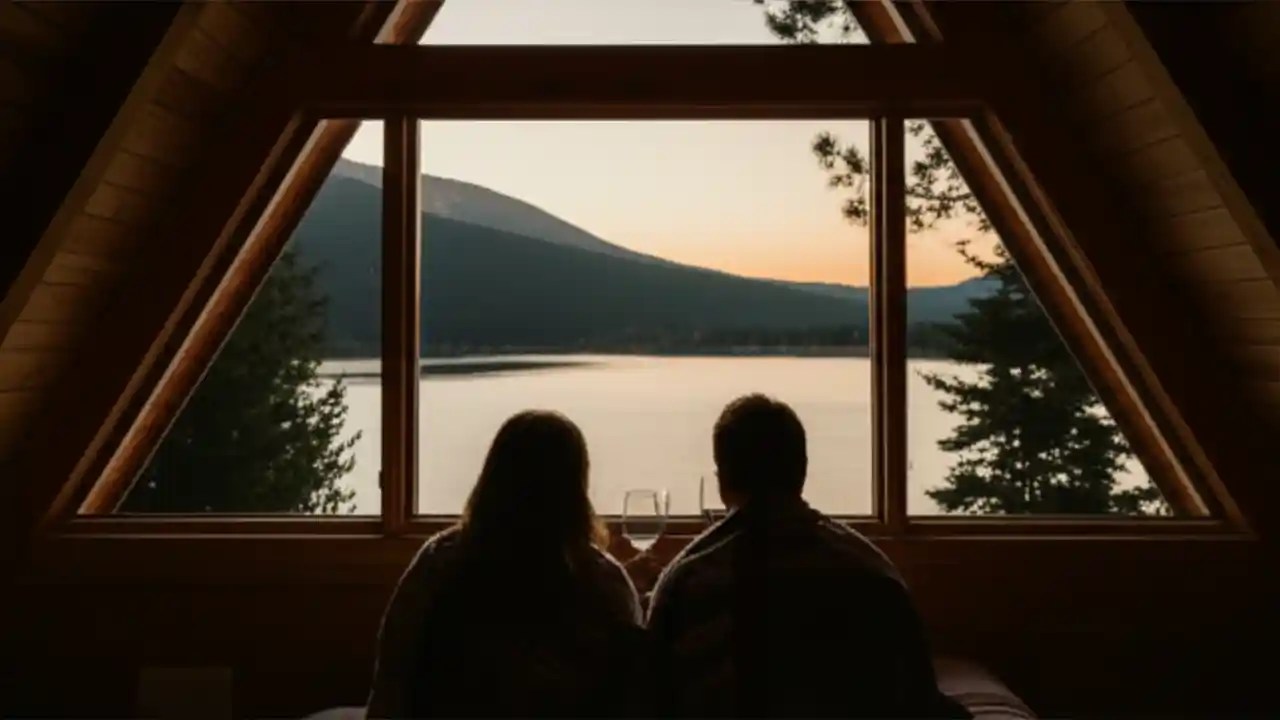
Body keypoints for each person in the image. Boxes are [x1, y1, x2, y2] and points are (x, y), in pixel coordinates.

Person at [646, 394, 970, 718]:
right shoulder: (871, 572)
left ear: (722, 481)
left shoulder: (685, 581)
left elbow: (652, 699)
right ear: (802, 472)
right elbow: (918, 696)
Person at [367, 410, 645, 719]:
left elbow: (391, 681)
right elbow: (631, 697)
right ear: (577, 488)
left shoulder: (439, 562)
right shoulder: (606, 582)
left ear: (491, 478)